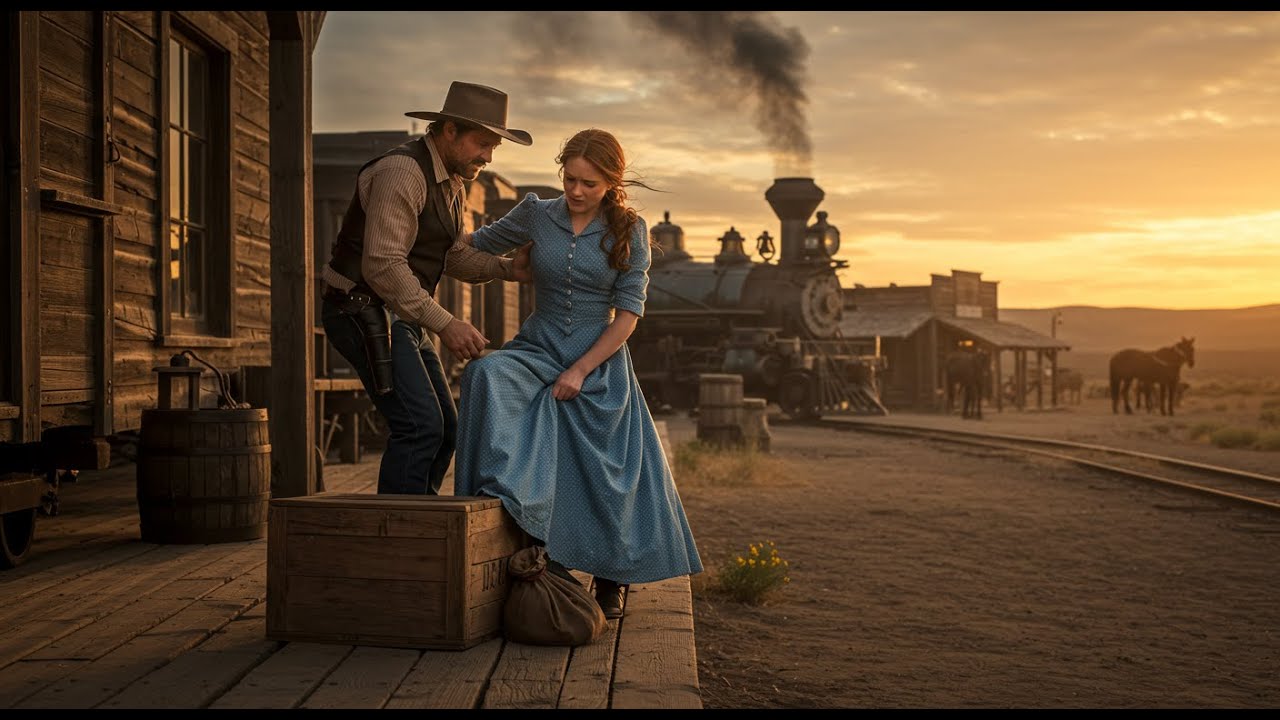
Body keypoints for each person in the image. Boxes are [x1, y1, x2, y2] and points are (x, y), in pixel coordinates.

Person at [452, 128, 703, 619]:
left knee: (605, 465)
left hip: (599, 355)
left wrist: (581, 370)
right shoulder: (536, 213)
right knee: (485, 375)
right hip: (537, 345)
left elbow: (627, 317)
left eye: (589, 182)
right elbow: (469, 249)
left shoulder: (629, 231)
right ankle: (514, 532)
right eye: (569, 179)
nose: (576, 191)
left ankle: (610, 575)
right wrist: (505, 265)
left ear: (611, 181)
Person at [320, 81, 533, 496]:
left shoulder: (453, 181)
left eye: (494, 148)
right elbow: (382, 265)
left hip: (399, 314)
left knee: (445, 429)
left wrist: (509, 270)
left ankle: (424, 532)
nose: (488, 157)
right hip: (359, 309)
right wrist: (446, 323)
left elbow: (449, 254)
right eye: (482, 143)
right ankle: (399, 542)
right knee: (419, 427)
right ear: (448, 129)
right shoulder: (403, 172)